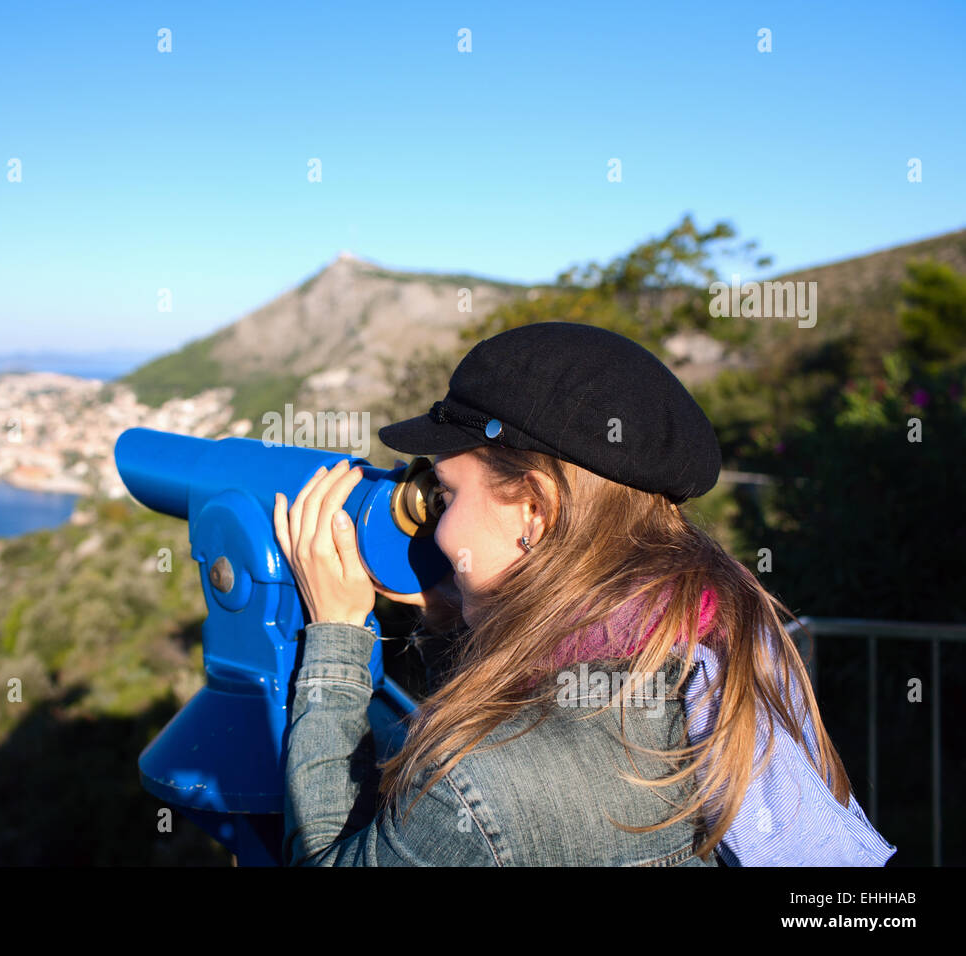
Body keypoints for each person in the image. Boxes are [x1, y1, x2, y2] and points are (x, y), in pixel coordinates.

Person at [273, 321, 896, 866]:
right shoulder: (710, 637)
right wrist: (464, 612)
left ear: (535, 511)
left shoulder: (478, 786)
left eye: (447, 493)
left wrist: (338, 636)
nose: (438, 525)